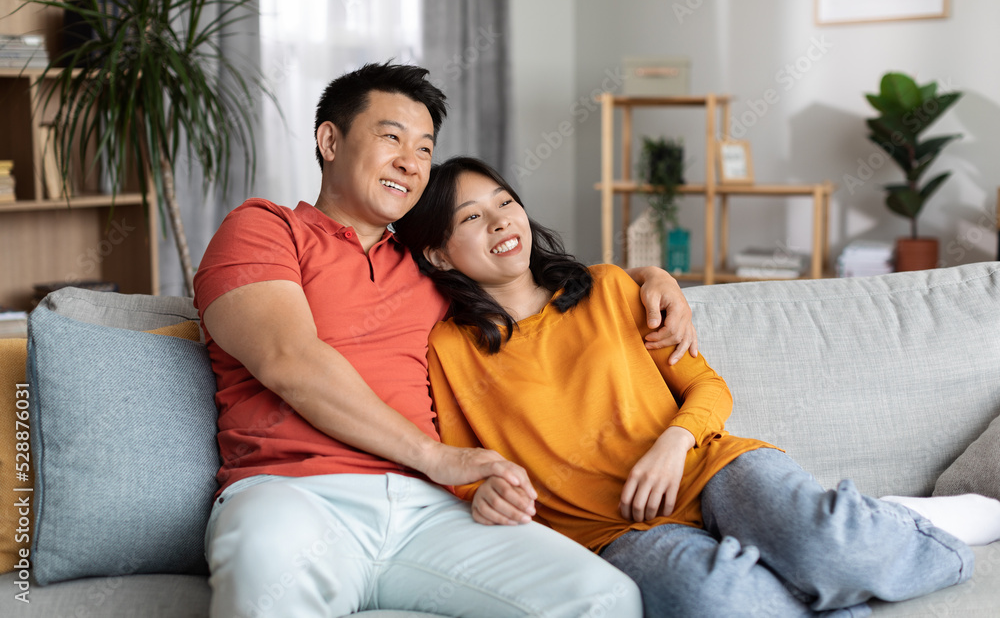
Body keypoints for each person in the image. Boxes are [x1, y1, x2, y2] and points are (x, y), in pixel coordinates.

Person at [392, 155, 1000, 618]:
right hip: (612, 531)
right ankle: (828, 543)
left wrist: (672, 442)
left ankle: (884, 527)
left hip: (707, 468)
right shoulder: (448, 348)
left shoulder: (609, 288)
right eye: (472, 217)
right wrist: (483, 494)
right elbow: (465, 463)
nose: (502, 221)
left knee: (833, 548)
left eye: (505, 202)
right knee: (720, 598)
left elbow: (707, 387)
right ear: (439, 255)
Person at [193, 62, 697, 617]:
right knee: (266, 561)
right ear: (330, 140)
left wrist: (652, 279)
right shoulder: (265, 227)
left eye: (425, 149)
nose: (411, 163)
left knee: (603, 597)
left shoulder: (430, 263)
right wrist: (437, 458)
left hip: (425, 512)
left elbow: (539, 287)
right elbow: (289, 360)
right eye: (391, 138)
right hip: (295, 495)